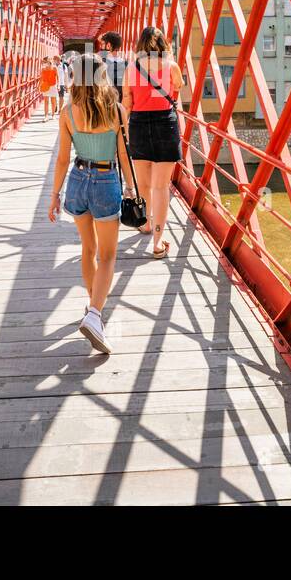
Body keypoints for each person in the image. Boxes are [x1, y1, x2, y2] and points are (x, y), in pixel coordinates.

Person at [48, 54, 135, 354]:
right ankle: (96, 314)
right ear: (101, 75)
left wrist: (54, 195)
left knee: (89, 249)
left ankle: (92, 308)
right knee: (109, 255)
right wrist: (132, 189)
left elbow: (61, 160)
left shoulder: (66, 112)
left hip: (76, 180)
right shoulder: (116, 110)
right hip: (105, 179)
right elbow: (124, 157)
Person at [122, 25, 183, 260]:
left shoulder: (131, 68)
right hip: (164, 124)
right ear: (164, 44)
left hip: (138, 124)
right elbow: (177, 89)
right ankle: (157, 242)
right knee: (161, 187)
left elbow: (127, 103)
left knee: (144, 184)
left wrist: (126, 134)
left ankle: (146, 224)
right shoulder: (171, 66)